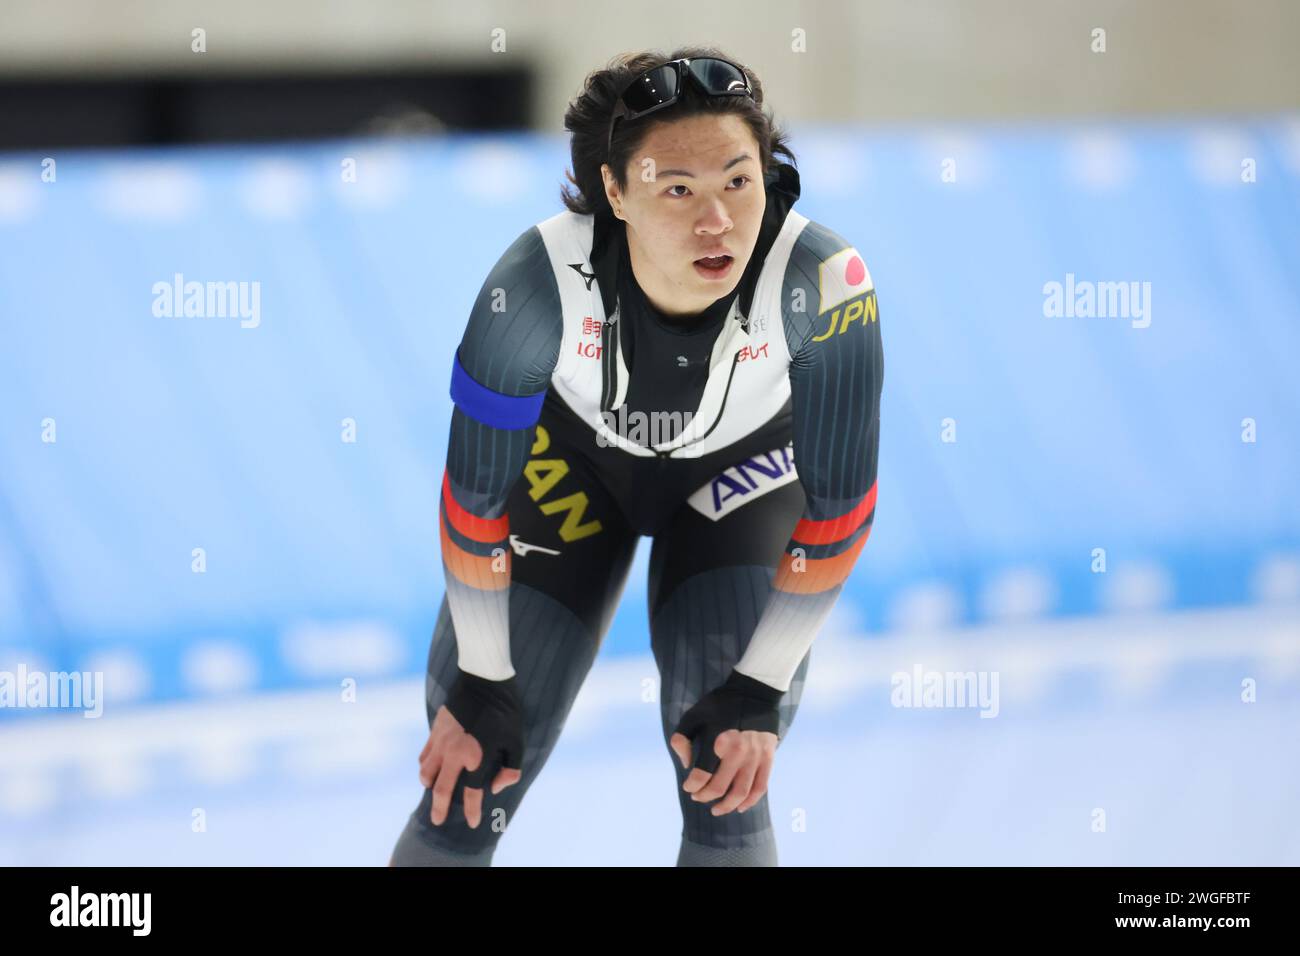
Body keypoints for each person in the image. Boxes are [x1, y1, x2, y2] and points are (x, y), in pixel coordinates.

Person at [389, 45, 883, 867]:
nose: (716, 220)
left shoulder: (825, 283)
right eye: (677, 189)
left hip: (738, 485)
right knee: (470, 782)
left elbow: (840, 512)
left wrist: (759, 686)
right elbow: (474, 502)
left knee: (726, 777)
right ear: (615, 193)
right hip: (573, 476)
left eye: (738, 180)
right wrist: (480, 675)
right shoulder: (534, 288)